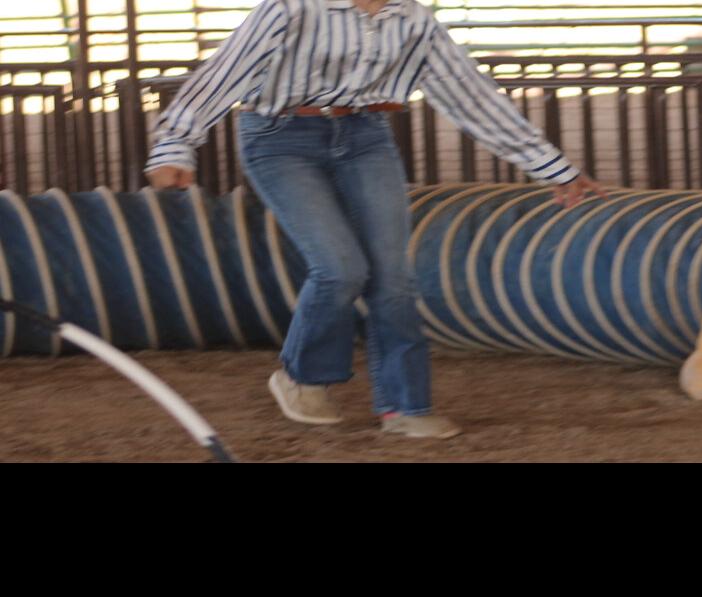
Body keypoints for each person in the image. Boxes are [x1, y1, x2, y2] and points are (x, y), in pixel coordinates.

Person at [145, 0, 607, 439]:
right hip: (279, 138)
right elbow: (222, 76)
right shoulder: (289, 8)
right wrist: (174, 144)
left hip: (366, 136)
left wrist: (554, 168)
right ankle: (303, 376)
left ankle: (405, 408)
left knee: (394, 277)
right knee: (340, 268)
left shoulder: (414, 20)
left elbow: (473, 98)